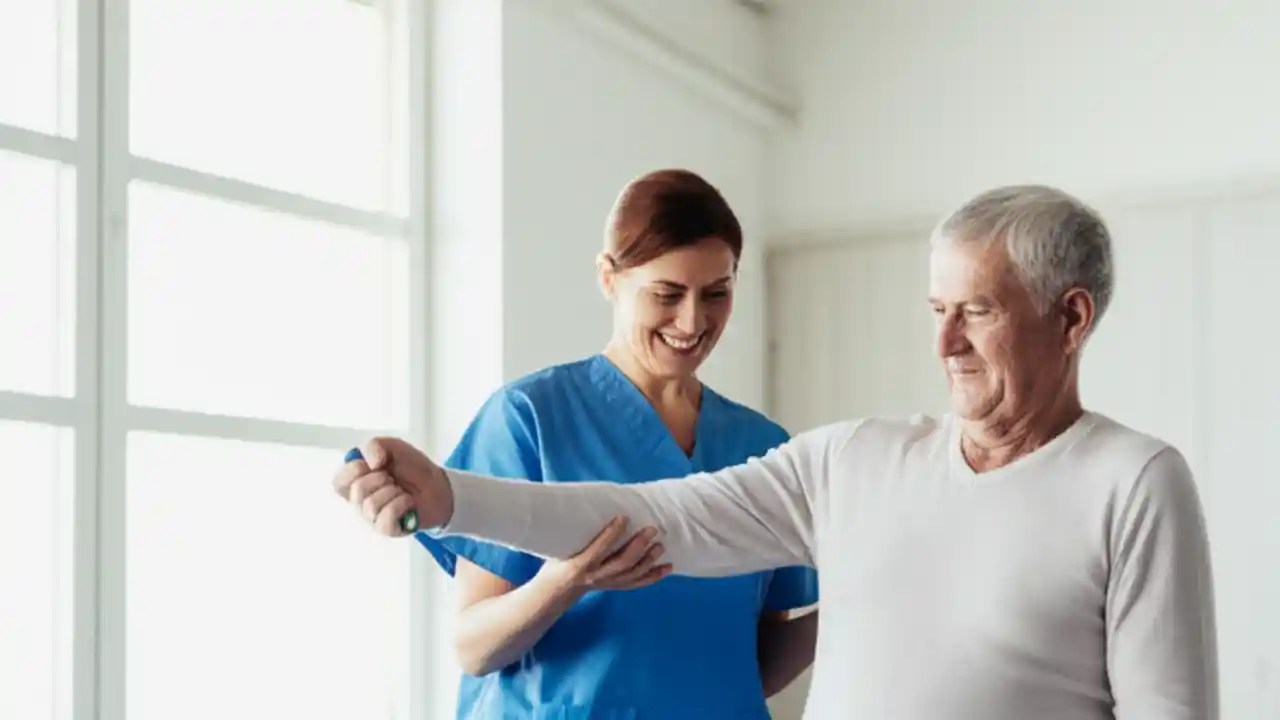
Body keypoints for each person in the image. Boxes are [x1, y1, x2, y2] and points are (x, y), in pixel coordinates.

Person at [336, 185, 1219, 719]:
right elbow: (655, 513)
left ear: (1070, 320)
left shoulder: (1132, 482)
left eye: (977, 312)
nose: (945, 343)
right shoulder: (852, 460)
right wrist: (449, 495)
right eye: (935, 311)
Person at [359, 168, 819, 718]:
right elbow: (473, 648)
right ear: (609, 277)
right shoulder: (529, 419)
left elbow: (755, 665)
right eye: (667, 294)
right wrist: (570, 579)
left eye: (716, 294)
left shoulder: (761, 446)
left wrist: (856, 601)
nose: (692, 320)